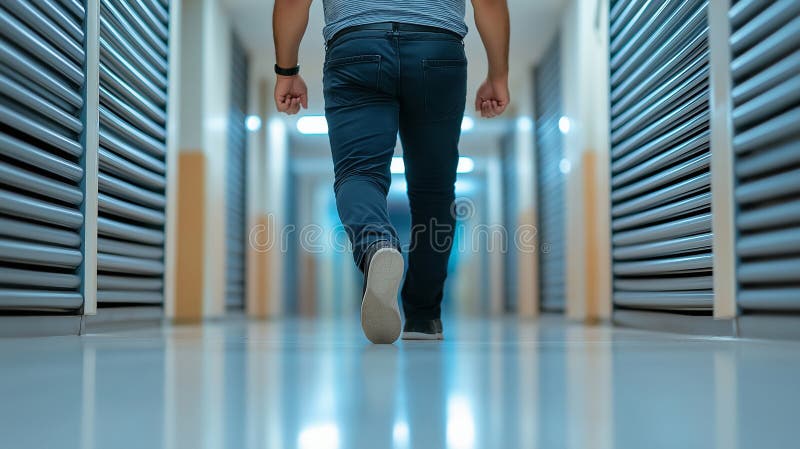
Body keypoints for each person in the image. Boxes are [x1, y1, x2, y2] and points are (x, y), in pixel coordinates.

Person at [273, 0, 510, 344]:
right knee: (434, 189)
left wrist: (287, 71)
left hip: (356, 46)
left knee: (359, 172)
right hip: (437, 47)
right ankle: (424, 316)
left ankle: (376, 244)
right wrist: (498, 75)